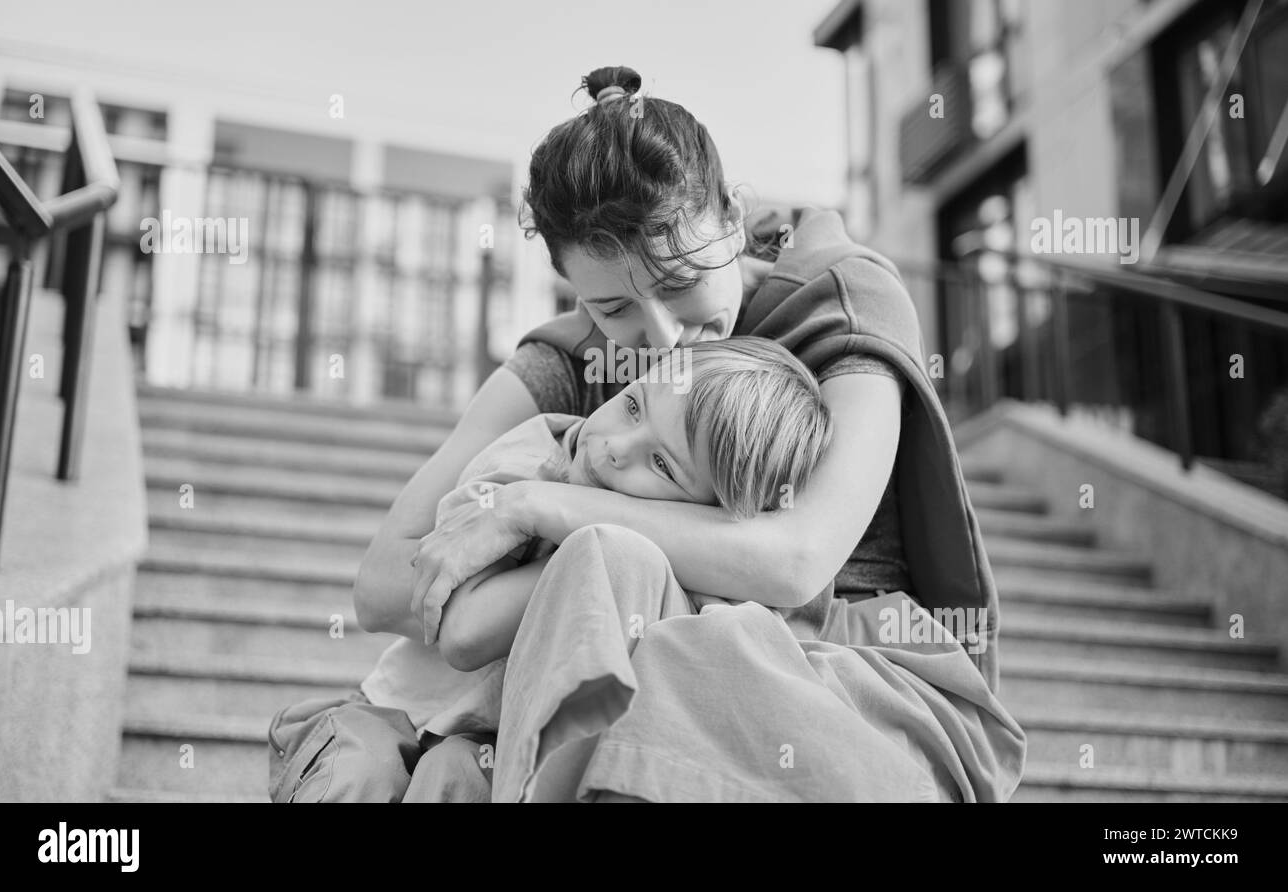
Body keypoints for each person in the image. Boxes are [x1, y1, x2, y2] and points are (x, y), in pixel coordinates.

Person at [352, 65, 1026, 802]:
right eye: (612, 308)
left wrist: (539, 512)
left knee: (657, 653)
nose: (663, 337)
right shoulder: (566, 361)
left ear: (734, 215)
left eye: (680, 283)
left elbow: (796, 559)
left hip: (849, 685)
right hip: (624, 672)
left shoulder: (842, 300)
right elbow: (385, 584)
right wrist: (585, 577)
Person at [268, 336, 833, 802]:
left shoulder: (685, 562)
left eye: (662, 464)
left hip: (492, 748)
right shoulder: (534, 462)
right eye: (634, 405)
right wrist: (593, 543)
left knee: (456, 778)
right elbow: (463, 634)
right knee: (357, 775)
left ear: (706, 514)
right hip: (394, 715)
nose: (617, 446)